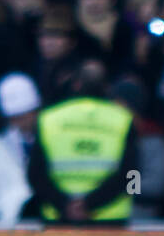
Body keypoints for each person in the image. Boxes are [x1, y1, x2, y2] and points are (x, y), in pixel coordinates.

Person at [28, 65, 137, 225]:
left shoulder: (48, 118)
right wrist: (89, 205)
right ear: (107, 87)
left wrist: (65, 205)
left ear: (76, 84)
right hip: (109, 220)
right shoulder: (124, 120)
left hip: (59, 219)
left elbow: (35, 174)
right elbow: (132, 175)